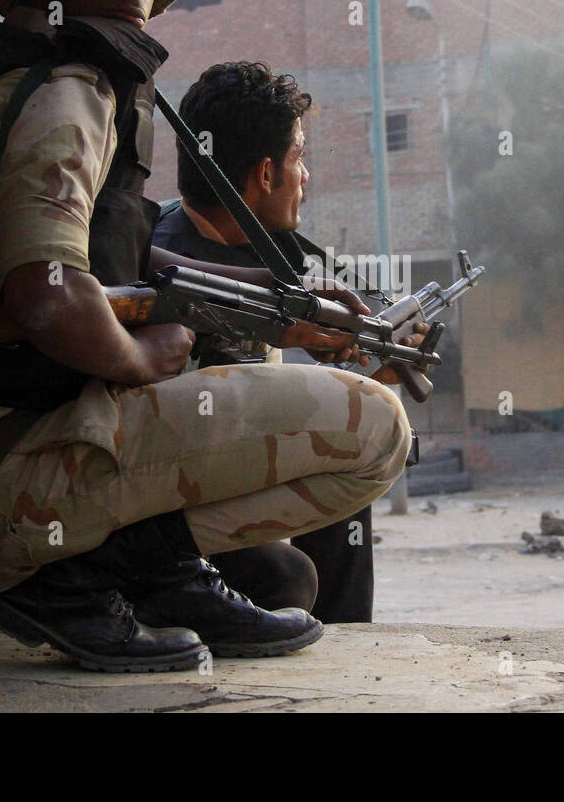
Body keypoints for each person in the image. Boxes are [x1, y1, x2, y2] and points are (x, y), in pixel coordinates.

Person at [0, 0, 412, 673]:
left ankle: (143, 573)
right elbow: (47, 295)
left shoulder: (43, 79)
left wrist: (280, 301)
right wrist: (142, 359)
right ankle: (76, 580)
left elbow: (118, 267)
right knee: (375, 430)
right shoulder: (68, 90)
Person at [154, 61, 427, 622]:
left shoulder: (262, 257)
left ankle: (348, 659)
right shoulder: (173, 263)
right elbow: (220, 431)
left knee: (343, 492)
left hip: (215, 479)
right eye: (298, 158)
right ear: (265, 175)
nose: (306, 176)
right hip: (160, 508)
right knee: (283, 574)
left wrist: (382, 375)